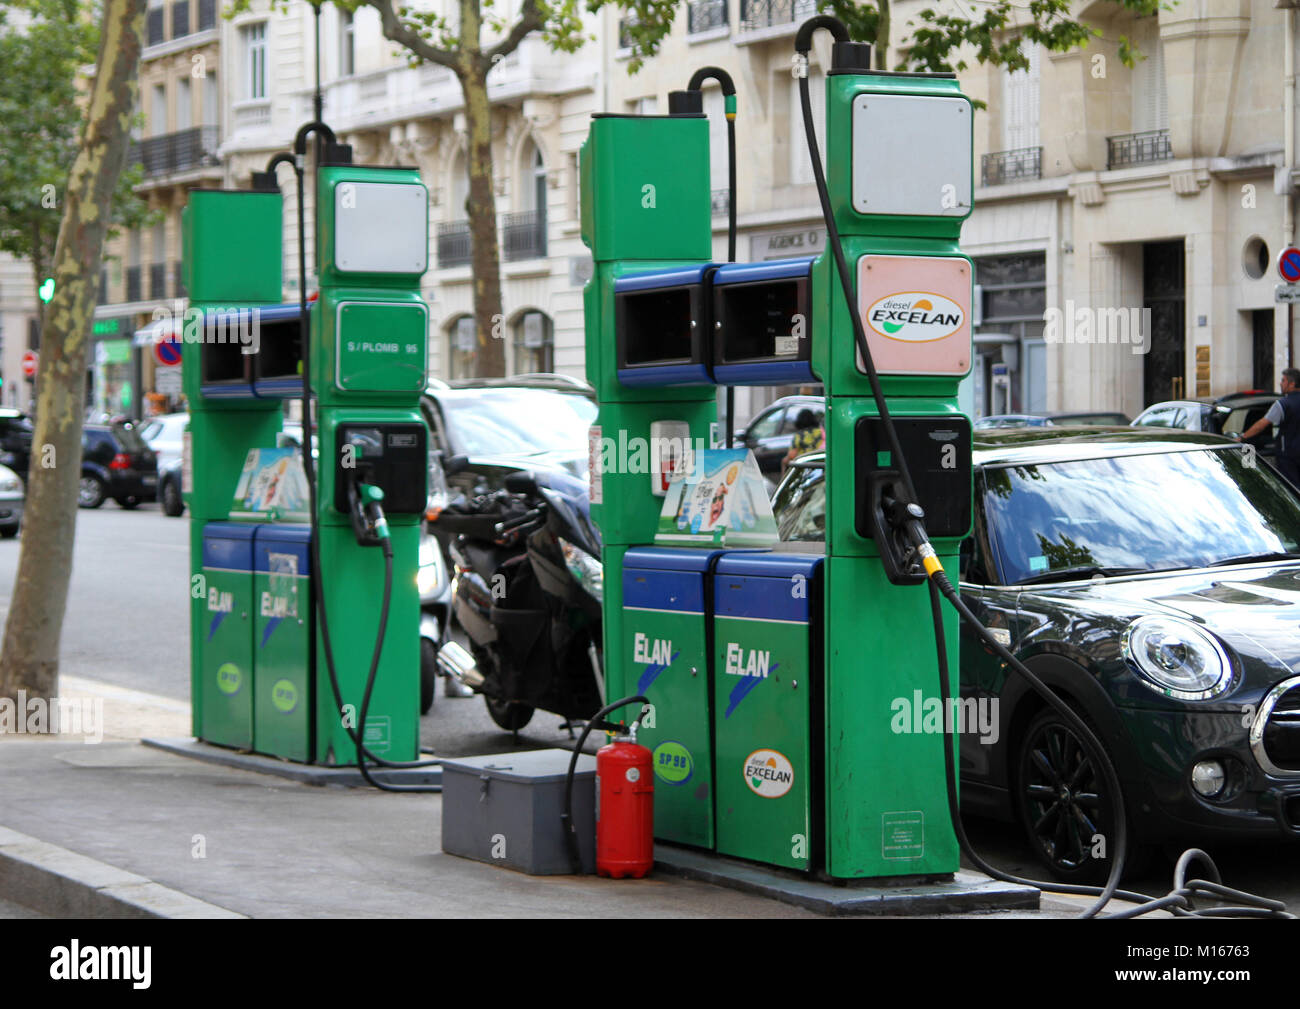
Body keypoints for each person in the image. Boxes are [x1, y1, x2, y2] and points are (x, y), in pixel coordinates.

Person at [1237, 368, 1300, 485]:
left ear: (1292, 384)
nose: (1280, 383)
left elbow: (1261, 425)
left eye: (1283, 380)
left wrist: (1242, 438)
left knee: (1291, 489)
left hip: (1288, 456)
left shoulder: (1283, 404)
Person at [781, 408, 825, 476]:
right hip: (821, 463)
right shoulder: (821, 432)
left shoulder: (799, 435)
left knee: (784, 461)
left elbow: (792, 455)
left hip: (804, 466)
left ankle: (784, 483)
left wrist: (785, 461)